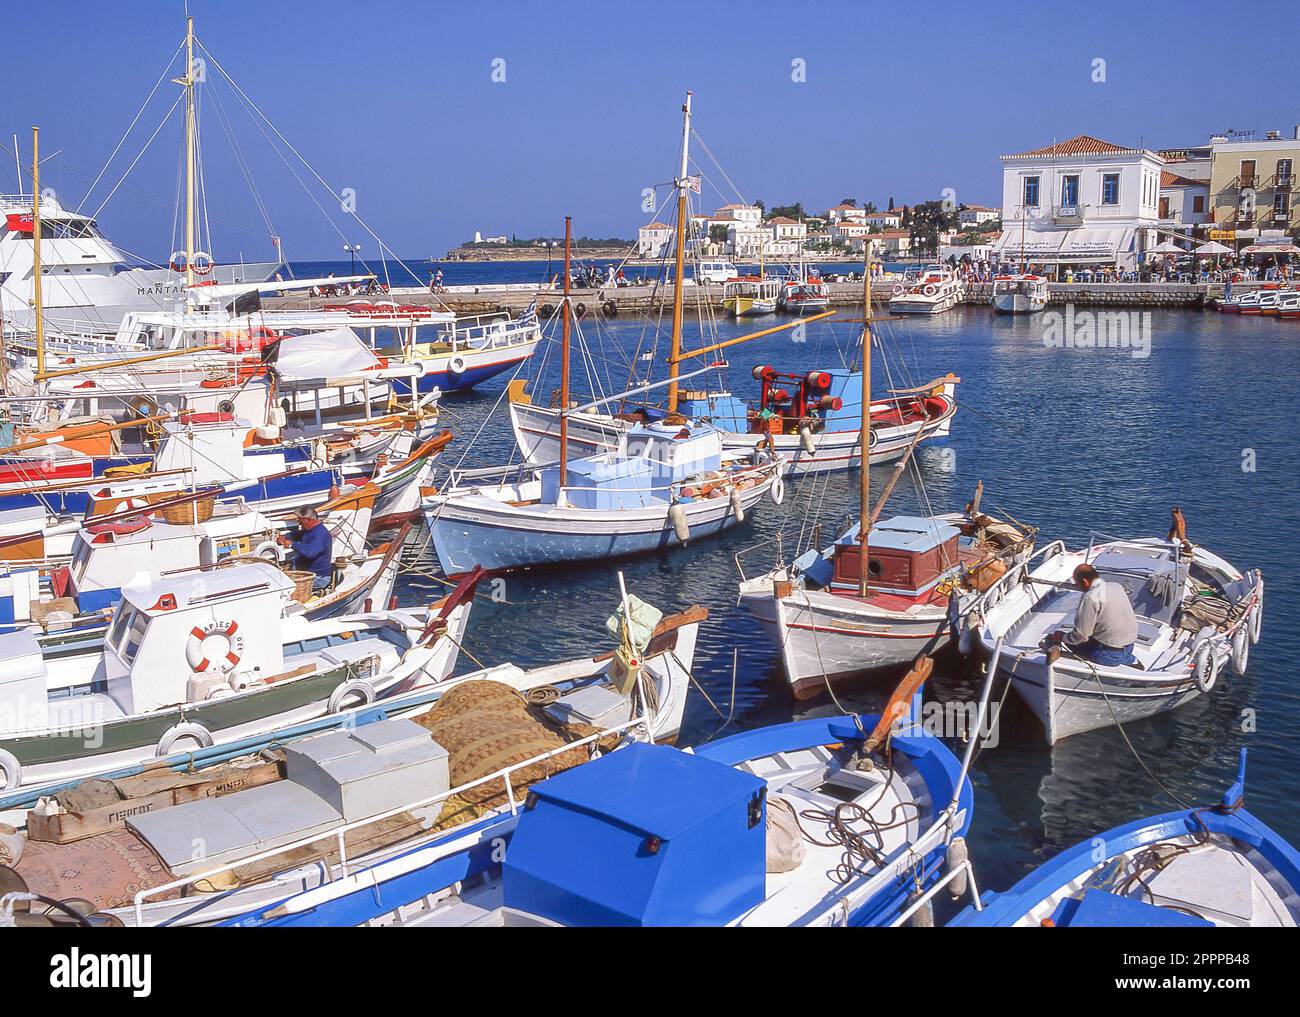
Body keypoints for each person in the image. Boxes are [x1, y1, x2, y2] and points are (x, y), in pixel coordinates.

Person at [1048, 563, 1138, 666]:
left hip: (1109, 655)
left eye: (1077, 583)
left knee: (1070, 640)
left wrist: (1062, 637)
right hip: (1129, 646)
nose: (1077, 586)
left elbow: (1081, 636)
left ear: (1085, 582)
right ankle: (1129, 659)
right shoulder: (1116, 586)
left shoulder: (1089, 597)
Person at [279, 506, 334, 591]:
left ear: (309, 520)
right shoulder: (310, 530)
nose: (299, 523)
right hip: (305, 573)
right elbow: (297, 534)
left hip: (318, 577)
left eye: (300, 521)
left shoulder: (320, 534)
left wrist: (292, 544)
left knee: (283, 588)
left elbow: (310, 552)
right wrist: (285, 536)